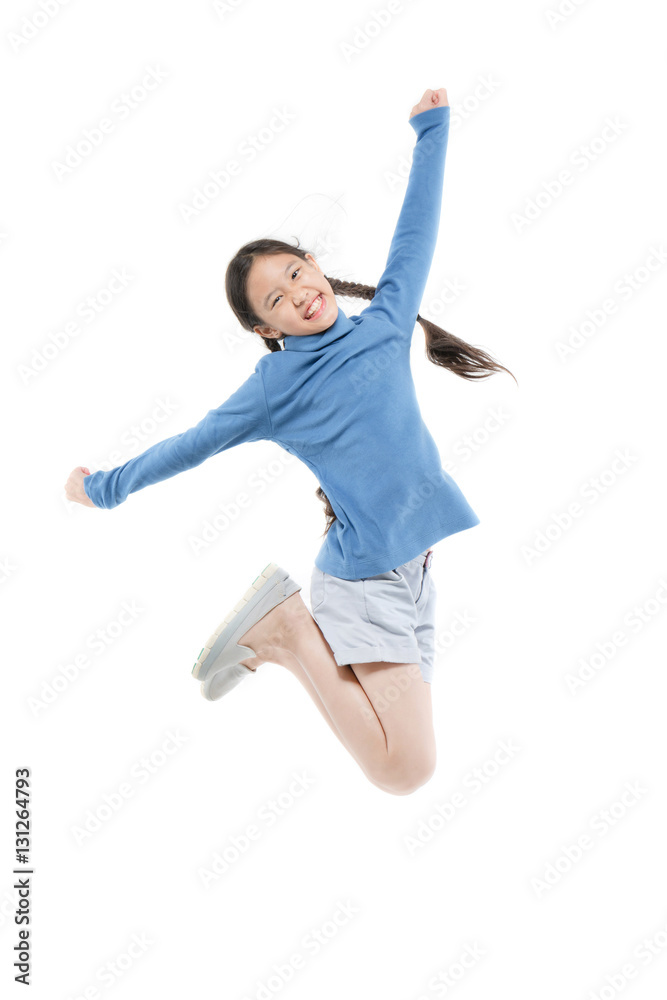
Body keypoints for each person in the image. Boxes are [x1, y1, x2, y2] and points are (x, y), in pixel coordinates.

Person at [64, 87, 515, 796]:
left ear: (314, 265)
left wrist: (431, 131)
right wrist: (100, 486)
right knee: (405, 769)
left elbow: (414, 237)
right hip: (363, 584)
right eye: (275, 300)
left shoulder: (384, 324)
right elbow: (192, 444)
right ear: (263, 328)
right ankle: (287, 629)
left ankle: (284, 632)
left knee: (407, 758)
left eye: (297, 275)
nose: (298, 296)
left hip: (412, 575)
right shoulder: (275, 387)